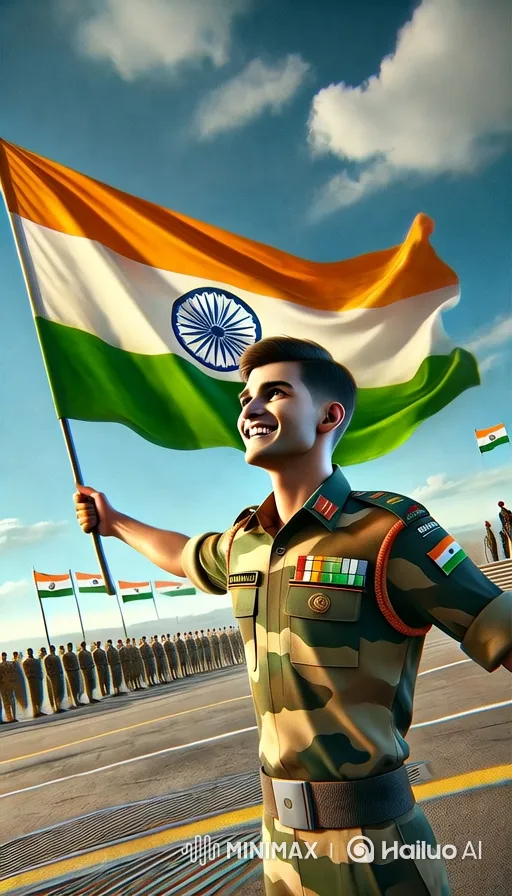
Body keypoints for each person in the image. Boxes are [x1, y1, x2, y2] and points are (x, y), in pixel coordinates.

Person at [74, 336, 512, 896]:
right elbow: (185, 556)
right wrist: (115, 523)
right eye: (245, 399)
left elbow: (498, 628)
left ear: (330, 415)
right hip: (279, 849)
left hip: (375, 851)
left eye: (274, 394)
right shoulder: (246, 543)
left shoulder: (388, 533)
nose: (250, 410)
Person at [23, 648, 46, 718]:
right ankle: (35, 711)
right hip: (32, 681)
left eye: (31, 651)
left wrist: (40, 676)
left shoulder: (36, 661)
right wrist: (30, 676)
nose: (30, 653)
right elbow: (26, 672)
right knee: (34, 696)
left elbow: (40, 669)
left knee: (39, 695)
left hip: (38, 679)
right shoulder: (26, 662)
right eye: (29, 652)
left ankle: (39, 709)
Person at [43, 645, 66, 713]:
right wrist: (51, 674)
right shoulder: (47, 658)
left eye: (53, 648)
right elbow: (48, 668)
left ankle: (60, 706)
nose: (53, 649)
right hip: (53, 677)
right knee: (54, 692)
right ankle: (56, 707)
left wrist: (61, 673)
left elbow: (60, 666)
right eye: (51, 648)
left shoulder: (57, 657)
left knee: (60, 690)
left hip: (59, 675)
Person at [0, 652, 18, 722]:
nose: (3, 657)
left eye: (4, 655)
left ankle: (14, 716)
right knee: (6, 702)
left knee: (11, 700)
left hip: (9, 684)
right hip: (3, 685)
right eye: (2, 656)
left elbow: (14, 673)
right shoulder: (0, 665)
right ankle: (9, 717)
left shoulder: (10, 664)